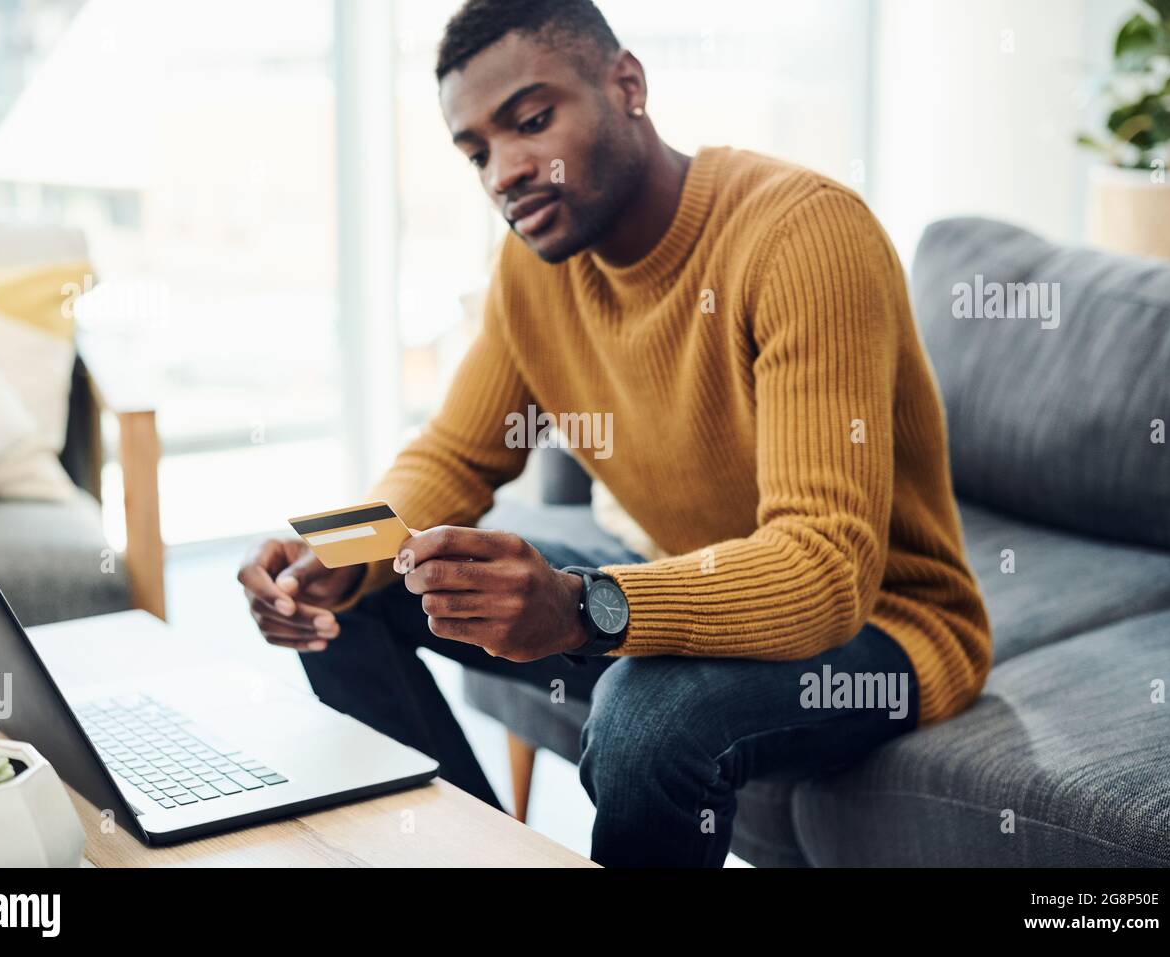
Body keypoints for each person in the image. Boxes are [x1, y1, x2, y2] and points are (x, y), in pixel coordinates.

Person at [238, 0, 991, 867]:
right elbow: (454, 454)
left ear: (626, 84)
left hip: (883, 627)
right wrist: (324, 550)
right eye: (477, 150)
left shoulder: (802, 233)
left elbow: (824, 568)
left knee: (645, 712)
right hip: (692, 579)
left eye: (530, 121)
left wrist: (586, 605)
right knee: (372, 581)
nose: (504, 173)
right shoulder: (534, 268)